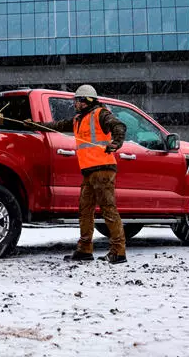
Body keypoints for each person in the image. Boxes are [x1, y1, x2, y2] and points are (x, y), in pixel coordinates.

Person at [41, 85, 128, 264]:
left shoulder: (100, 114)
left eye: (78, 101)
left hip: (103, 169)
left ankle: (118, 252)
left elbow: (119, 125)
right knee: (85, 210)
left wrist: (116, 143)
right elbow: (57, 126)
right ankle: (85, 249)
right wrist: (35, 125)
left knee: (108, 210)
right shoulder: (78, 119)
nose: (75, 104)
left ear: (87, 100)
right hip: (89, 172)